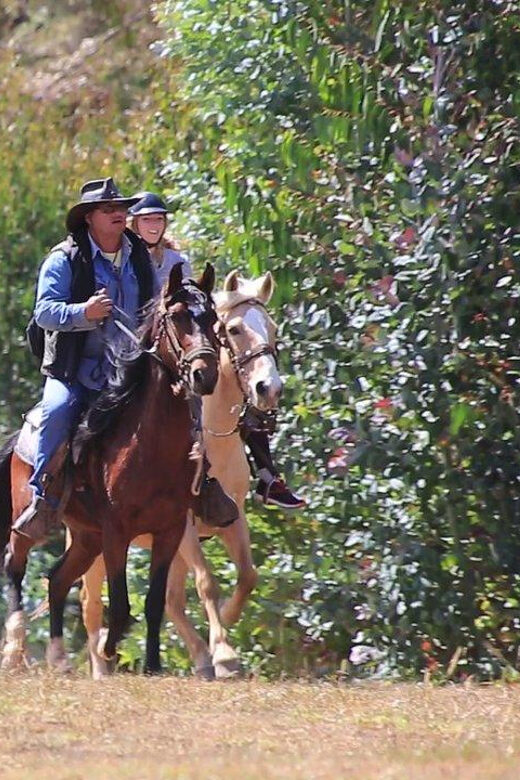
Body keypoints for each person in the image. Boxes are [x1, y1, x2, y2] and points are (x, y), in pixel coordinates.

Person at [15, 178, 237, 540]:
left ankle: (204, 486)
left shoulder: (137, 254)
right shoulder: (63, 259)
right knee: (56, 412)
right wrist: (83, 312)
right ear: (89, 218)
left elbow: (153, 307)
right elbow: (44, 313)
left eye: (121, 208)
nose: (119, 214)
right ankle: (43, 501)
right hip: (76, 371)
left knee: (186, 404)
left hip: (130, 367)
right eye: (109, 210)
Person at [129, 192, 306, 510]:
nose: (154, 225)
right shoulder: (125, 260)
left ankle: (267, 475)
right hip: (141, 342)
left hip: (180, 340)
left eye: (158, 219)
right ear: (135, 224)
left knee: (235, 383)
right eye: (147, 220)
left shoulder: (177, 262)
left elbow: (192, 301)